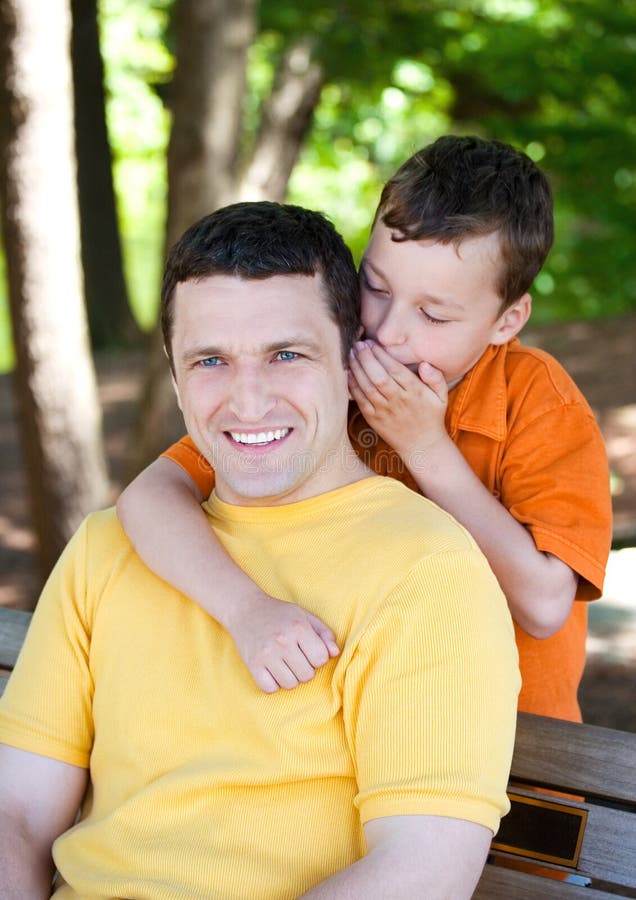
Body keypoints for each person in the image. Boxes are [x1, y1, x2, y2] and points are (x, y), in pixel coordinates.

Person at [0, 201, 519, 898]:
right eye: (210, 359)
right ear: (175, 375)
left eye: (286, 355)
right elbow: (17, 814)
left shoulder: (427, 570)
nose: (248, 403)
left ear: (349, 361)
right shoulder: (106, 549)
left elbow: (422, 873)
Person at [118, 135, 612, 721]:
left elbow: (544, 603)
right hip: (359, 724)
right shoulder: (327, 370)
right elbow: (150, 496)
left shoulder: (538, 402)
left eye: (433, 314)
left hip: (517, 746)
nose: (387, 329)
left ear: (507, 319)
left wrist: (424, 446)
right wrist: (243, 608)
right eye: (375, 286)